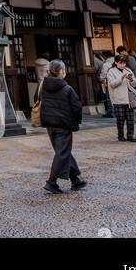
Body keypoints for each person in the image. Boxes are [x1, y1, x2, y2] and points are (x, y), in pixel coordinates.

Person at [37, 59, 86, 193]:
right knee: (62, 152)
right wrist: (76, 122)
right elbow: (77, 107)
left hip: (49, 123)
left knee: (63, 151)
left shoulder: (43, 85)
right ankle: (51, 182)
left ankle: (76, 179)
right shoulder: (67, 88)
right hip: (63, 124)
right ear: (60, 72)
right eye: (63, 69)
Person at [106, 53, 136, 142]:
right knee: (120, 119)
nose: (123, 65)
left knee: (130, 119)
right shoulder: (111, 71)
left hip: (129, 98)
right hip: (118, 98)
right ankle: (120, 135)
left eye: (124, 63)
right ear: (116, 62)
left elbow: (135, 84)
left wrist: (131, 79)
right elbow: (112, 84)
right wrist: (121, 78)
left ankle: (130, 135)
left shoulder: (128, 70)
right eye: (120, 63)